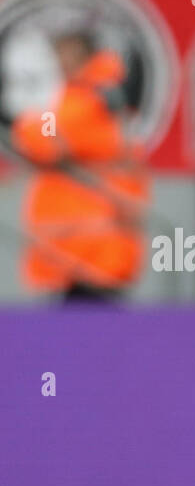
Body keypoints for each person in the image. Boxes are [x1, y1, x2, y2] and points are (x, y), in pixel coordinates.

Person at [9, 22, 149, 300]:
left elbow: (43, 139)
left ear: (78, 53)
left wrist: (27, 119)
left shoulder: (91, 97)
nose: (55, 61)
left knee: (85, 335)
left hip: (90, 250)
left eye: (60, 52)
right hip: (86, 250)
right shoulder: (102, 93)